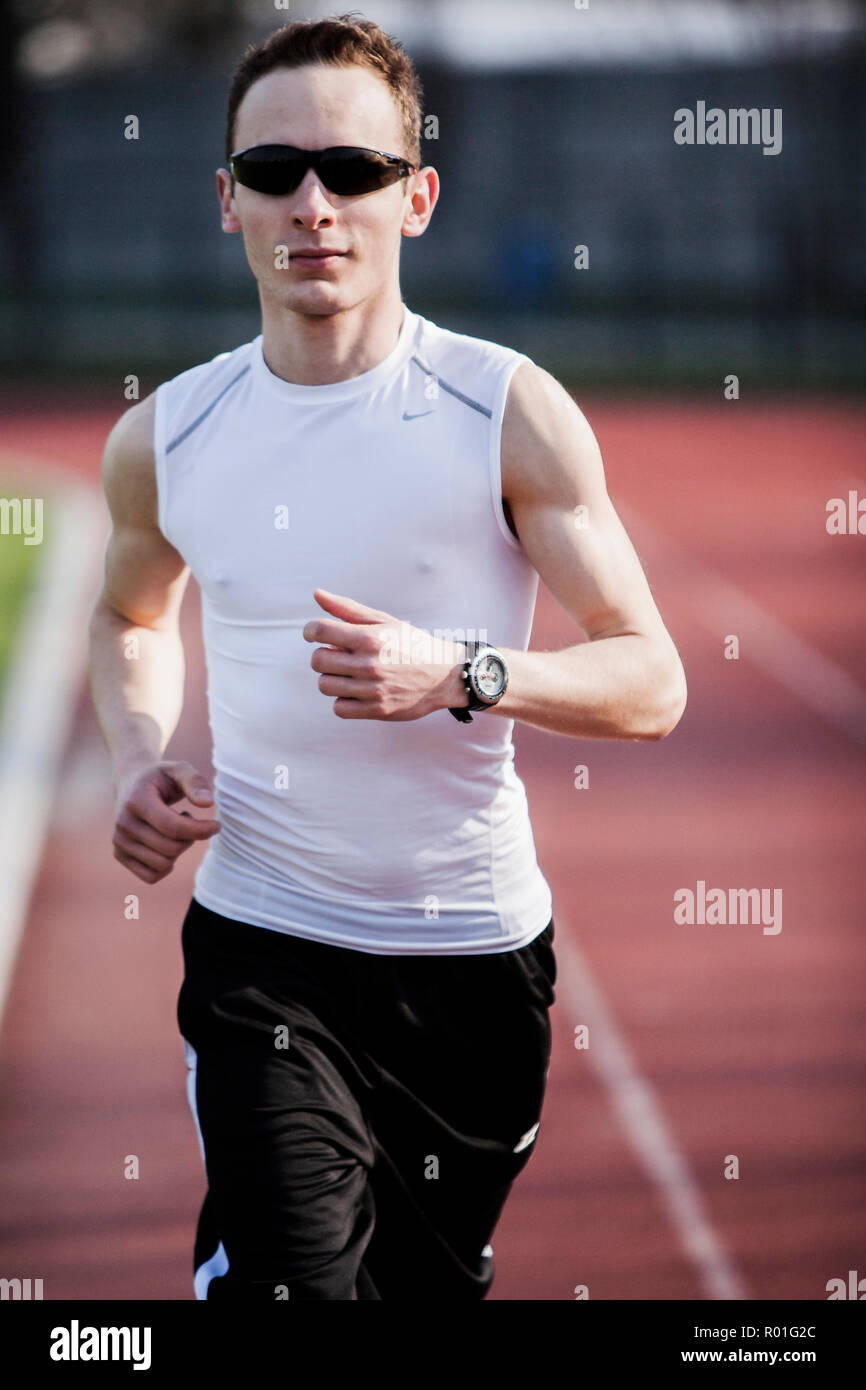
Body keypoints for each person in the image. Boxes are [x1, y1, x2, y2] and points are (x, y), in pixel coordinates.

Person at [87, 13, 686, 1301]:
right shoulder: (169, 436)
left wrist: (465, 672)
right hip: (265, 953)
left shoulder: (505, 412)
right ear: (226, 200)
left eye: (352, 172)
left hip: (474, 974)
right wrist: (138, 759)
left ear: (413, 198)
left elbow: (652, 679)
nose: (314, 204)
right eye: (274, 172)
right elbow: (129, 619)